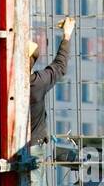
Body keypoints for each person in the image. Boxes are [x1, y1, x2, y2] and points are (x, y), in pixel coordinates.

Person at [28, 16, 74, 147]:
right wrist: (67, 35)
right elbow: (60, 66)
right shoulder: (36, 83)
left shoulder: (3, 81)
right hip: (33, 145)